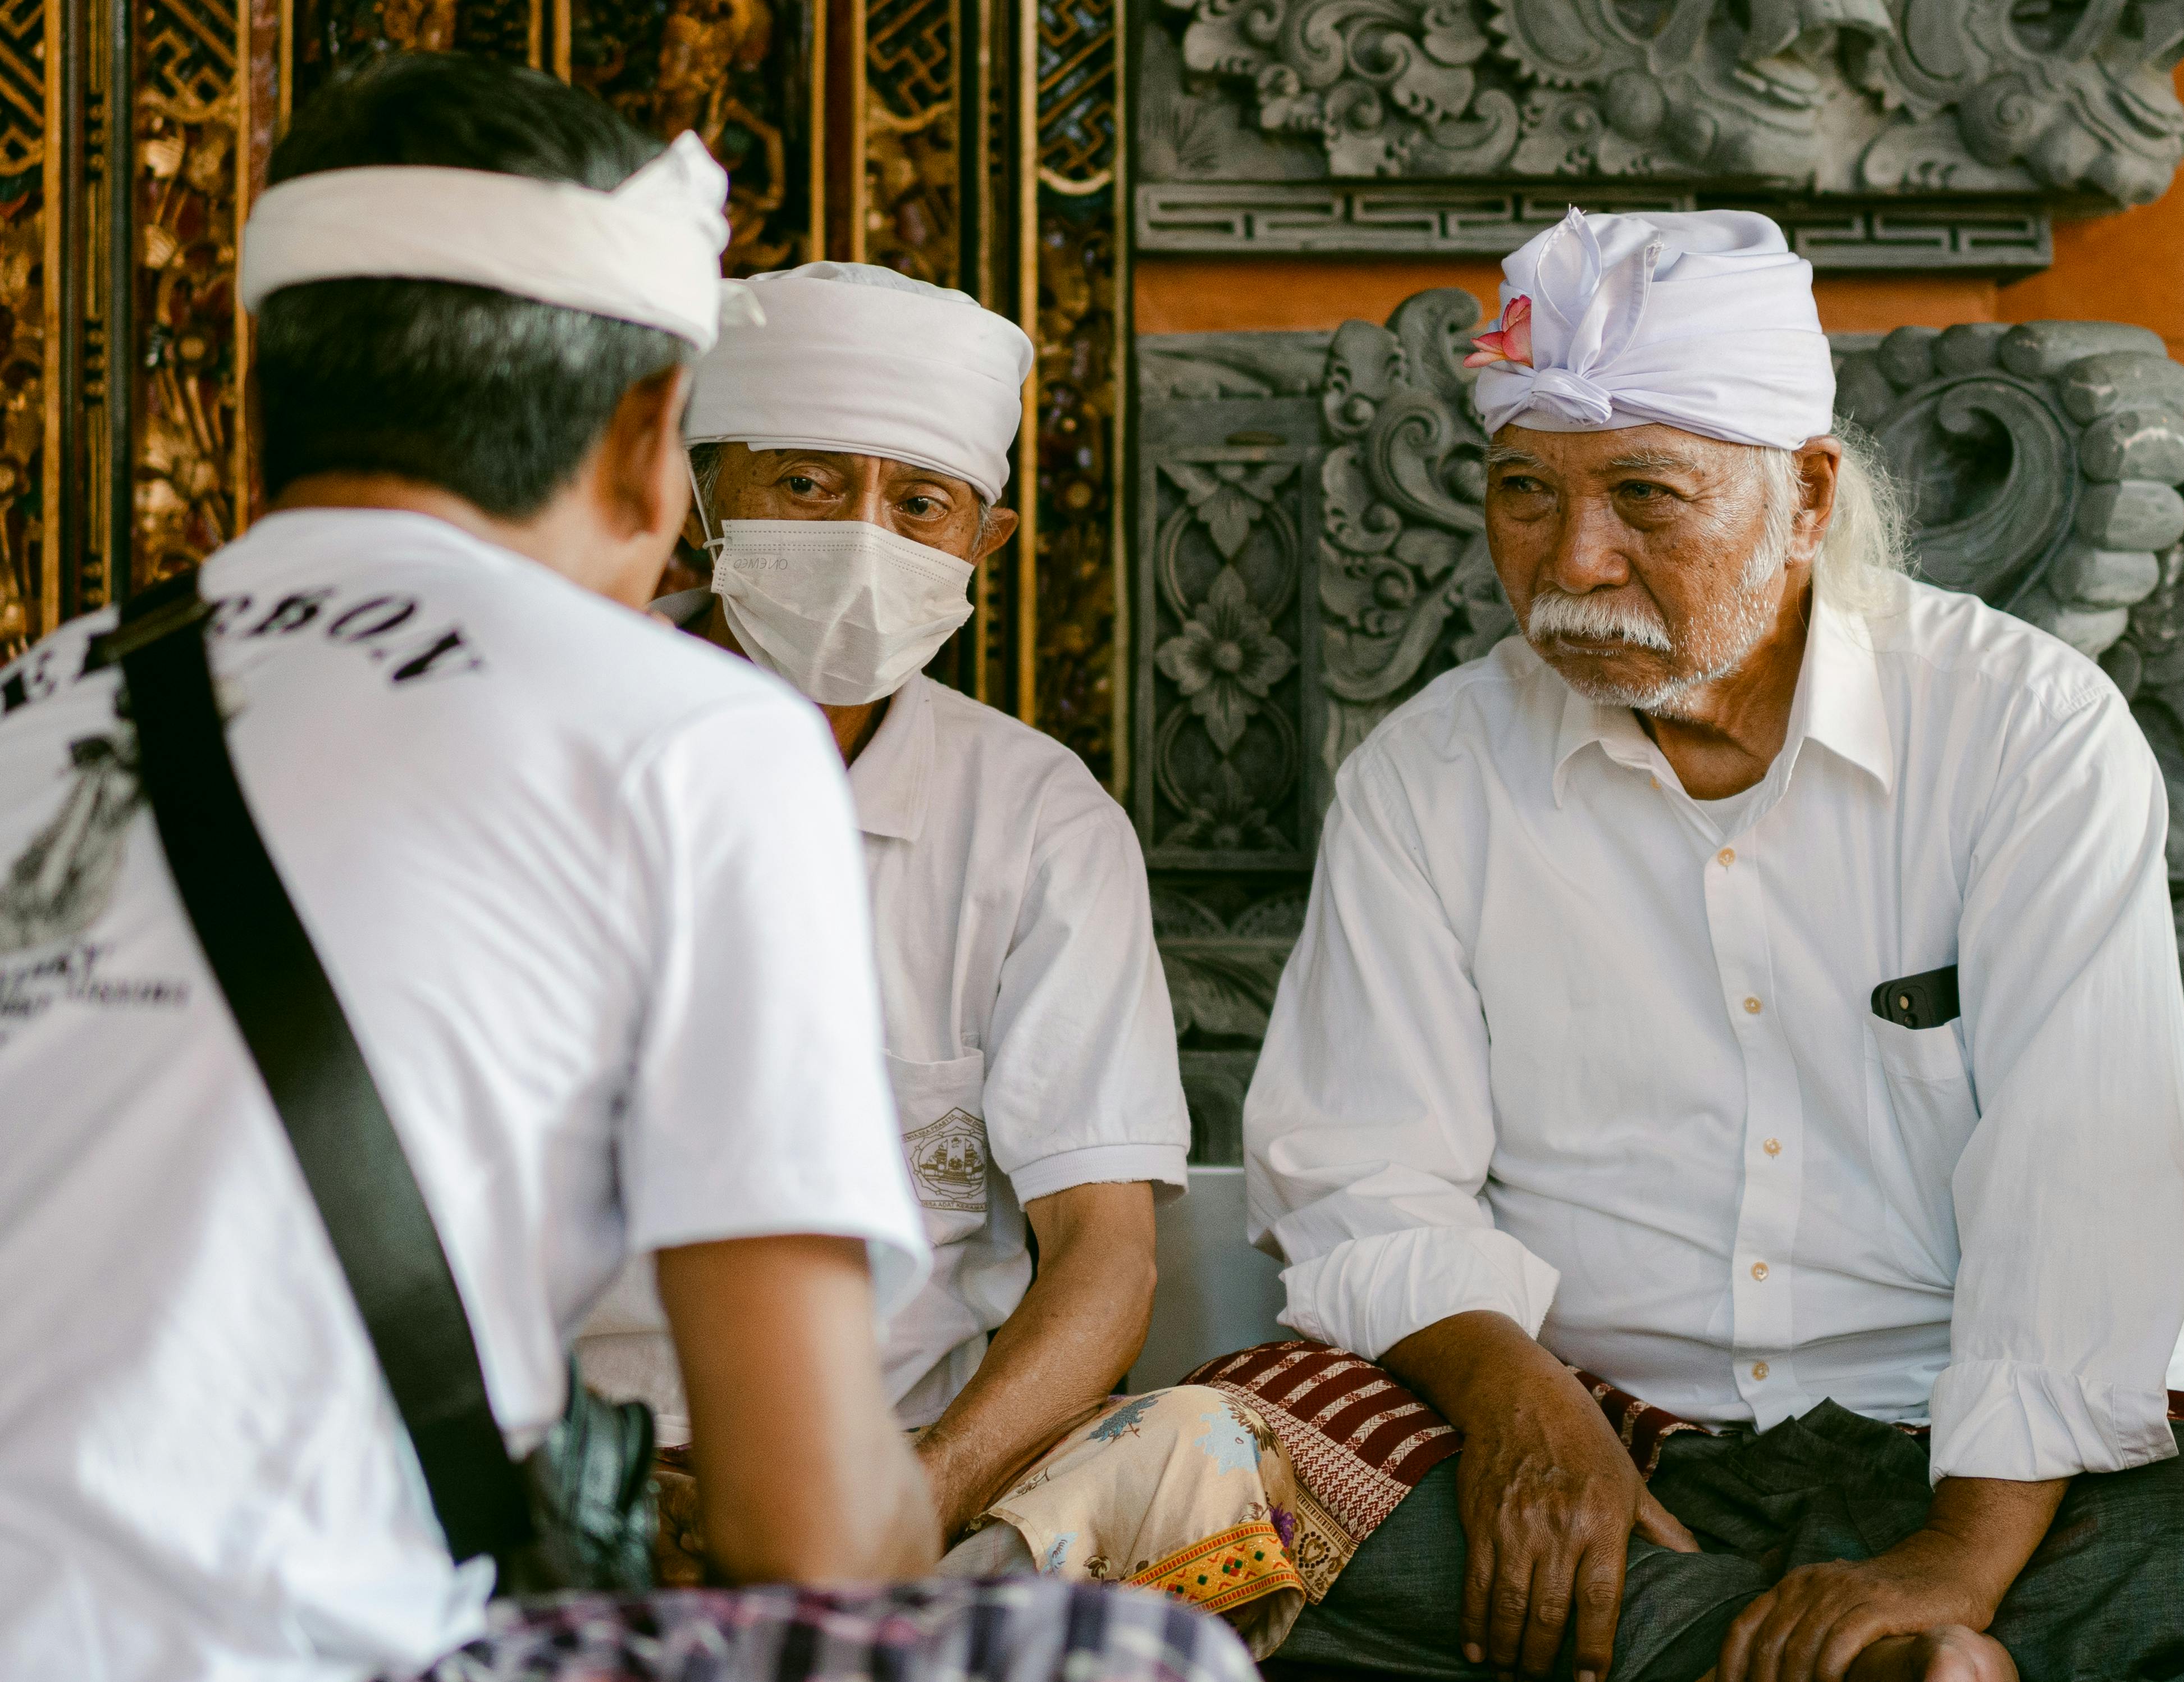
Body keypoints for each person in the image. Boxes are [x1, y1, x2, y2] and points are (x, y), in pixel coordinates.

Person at [0, 54, 1255, 1682]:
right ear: (665, 447)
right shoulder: (685, 739)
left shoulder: (46, 700)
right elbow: (805, 1534)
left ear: (263, 393)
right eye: (803, 481)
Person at [1242, 208, 2184, 1682]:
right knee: (1220, 1473)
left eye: (1644, 494)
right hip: (1612, 1451)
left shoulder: (2022, 732)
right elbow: (1363, 1169)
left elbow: (2083, 1185)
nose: (1576, 556)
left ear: (1807, 494)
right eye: (1523, 491)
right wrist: (1521, 1403)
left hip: (1971, 1446)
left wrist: (1952, 1559)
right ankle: (1883, 1672)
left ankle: (1768, 1650)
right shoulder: (1428, 774)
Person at [608, 262, 1310, 1650]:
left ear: (982, 542)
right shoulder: (545, 751)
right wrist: (602, 1482)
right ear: (702, 496)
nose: (864, 539)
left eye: (915, 503)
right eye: (806, 486)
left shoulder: (1038, 822)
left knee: (1200, 1461)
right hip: (561, 1468)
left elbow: (1100, 1255)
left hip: (906, 1489)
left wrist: (904, 1505)